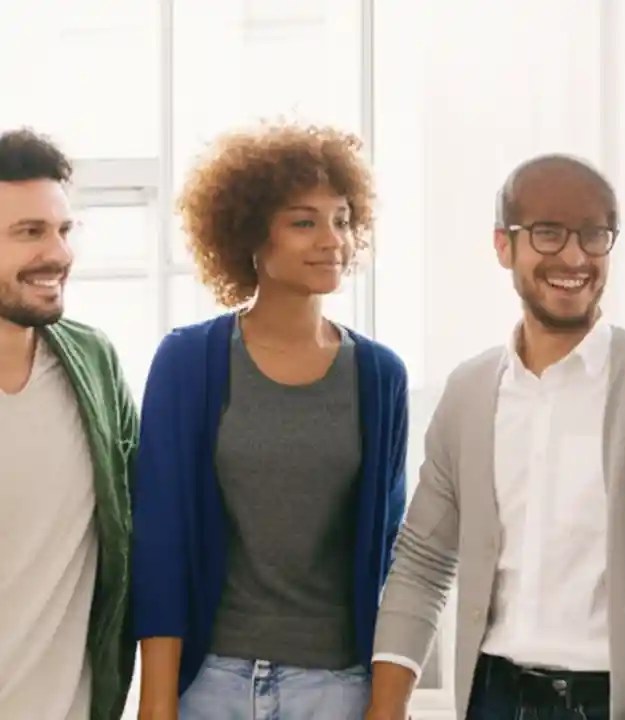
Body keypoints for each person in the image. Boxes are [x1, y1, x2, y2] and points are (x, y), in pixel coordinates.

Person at [362, 154, 625, 720]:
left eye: (594, 234)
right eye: (548, 234)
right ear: (504, 246)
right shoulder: (470, 391)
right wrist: (386, 711)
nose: (574, 257)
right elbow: (423, 562)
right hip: (494, 698)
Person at [131, 123, 409, 720]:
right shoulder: (188, 363)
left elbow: (393, 555)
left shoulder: (380, 377)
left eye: (341, 219)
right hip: (212, 681)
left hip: (337, 685)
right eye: (304, 221)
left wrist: (386, 706)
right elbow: (160, 538)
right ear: (250, 236)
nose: (331, 239)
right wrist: (157, 702)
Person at [0, 128, 137, 720]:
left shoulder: (94, 366)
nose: (57, 254)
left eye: (63, 230)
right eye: (29, 232)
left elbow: (150, 530)